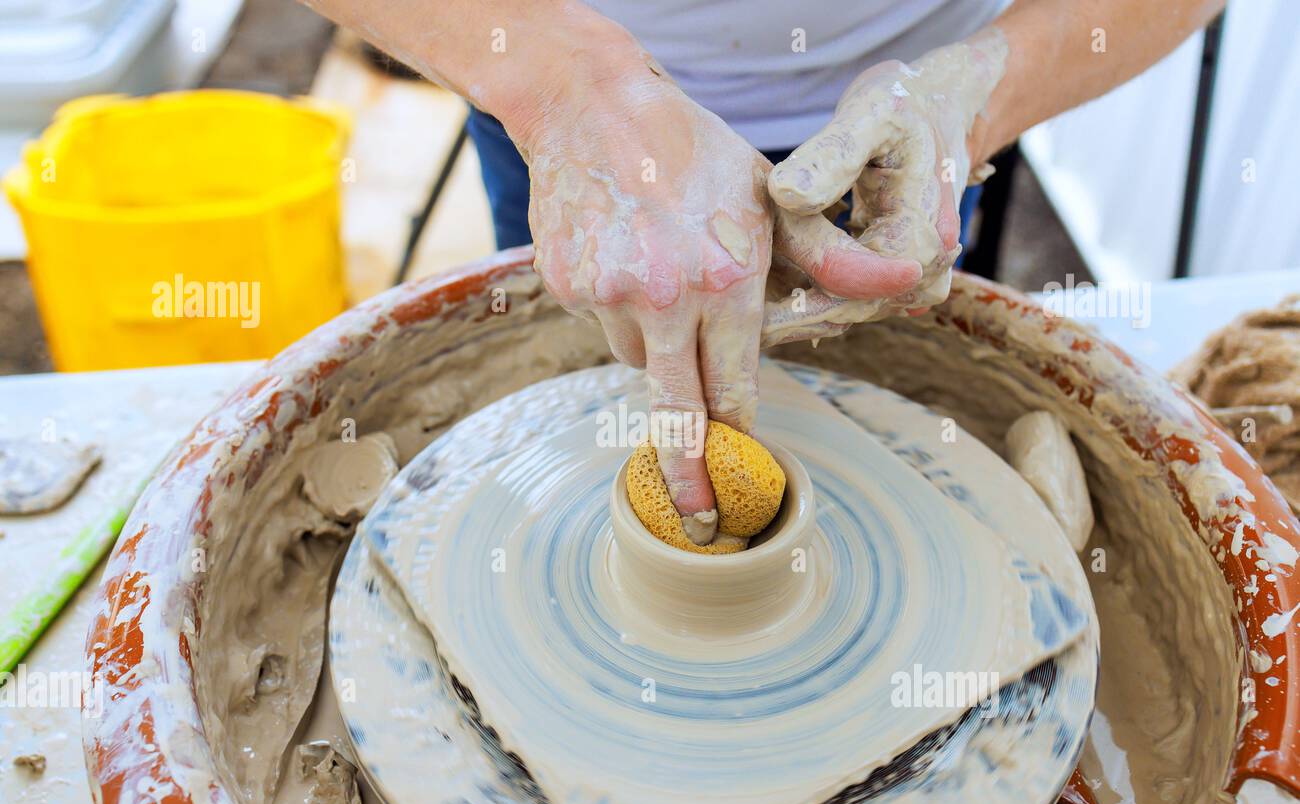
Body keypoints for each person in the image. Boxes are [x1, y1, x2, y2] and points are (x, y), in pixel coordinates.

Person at [302, 0, 1223, 544]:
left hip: (909, 128)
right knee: (598, 408)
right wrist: (561, 83)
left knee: (918, 460)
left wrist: (977, 101)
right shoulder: (566, 93)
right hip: (578, 108)